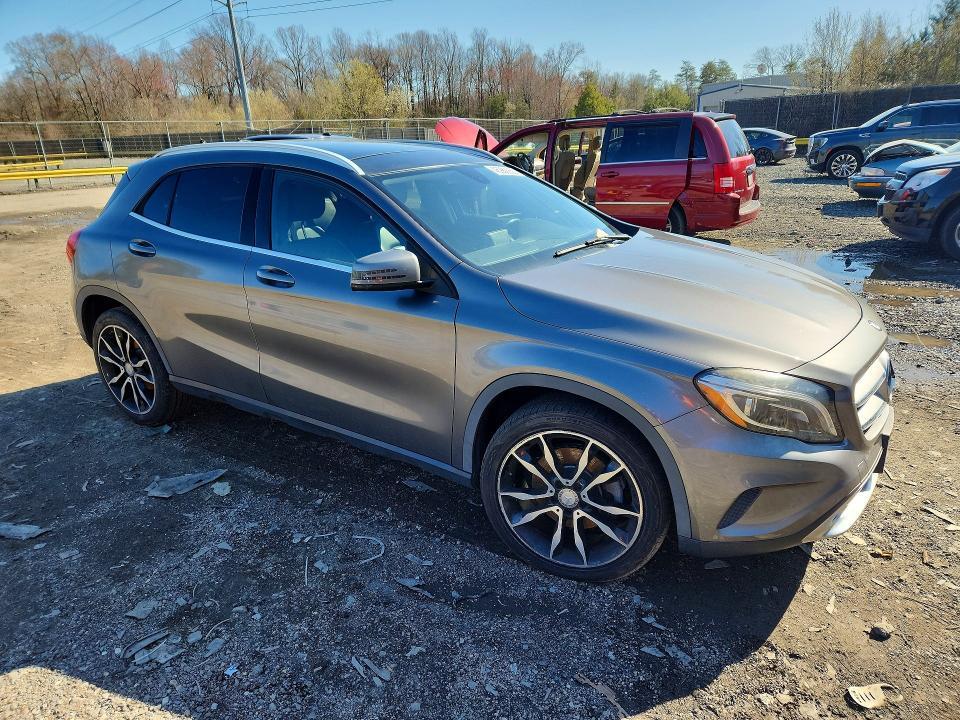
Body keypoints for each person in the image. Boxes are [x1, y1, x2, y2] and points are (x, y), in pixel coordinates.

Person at [571, 135, 601, 202]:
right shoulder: (599, 155)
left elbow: (584, 174)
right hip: (592, 183)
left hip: (587, 186)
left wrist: (578, 184)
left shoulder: (593, 156)